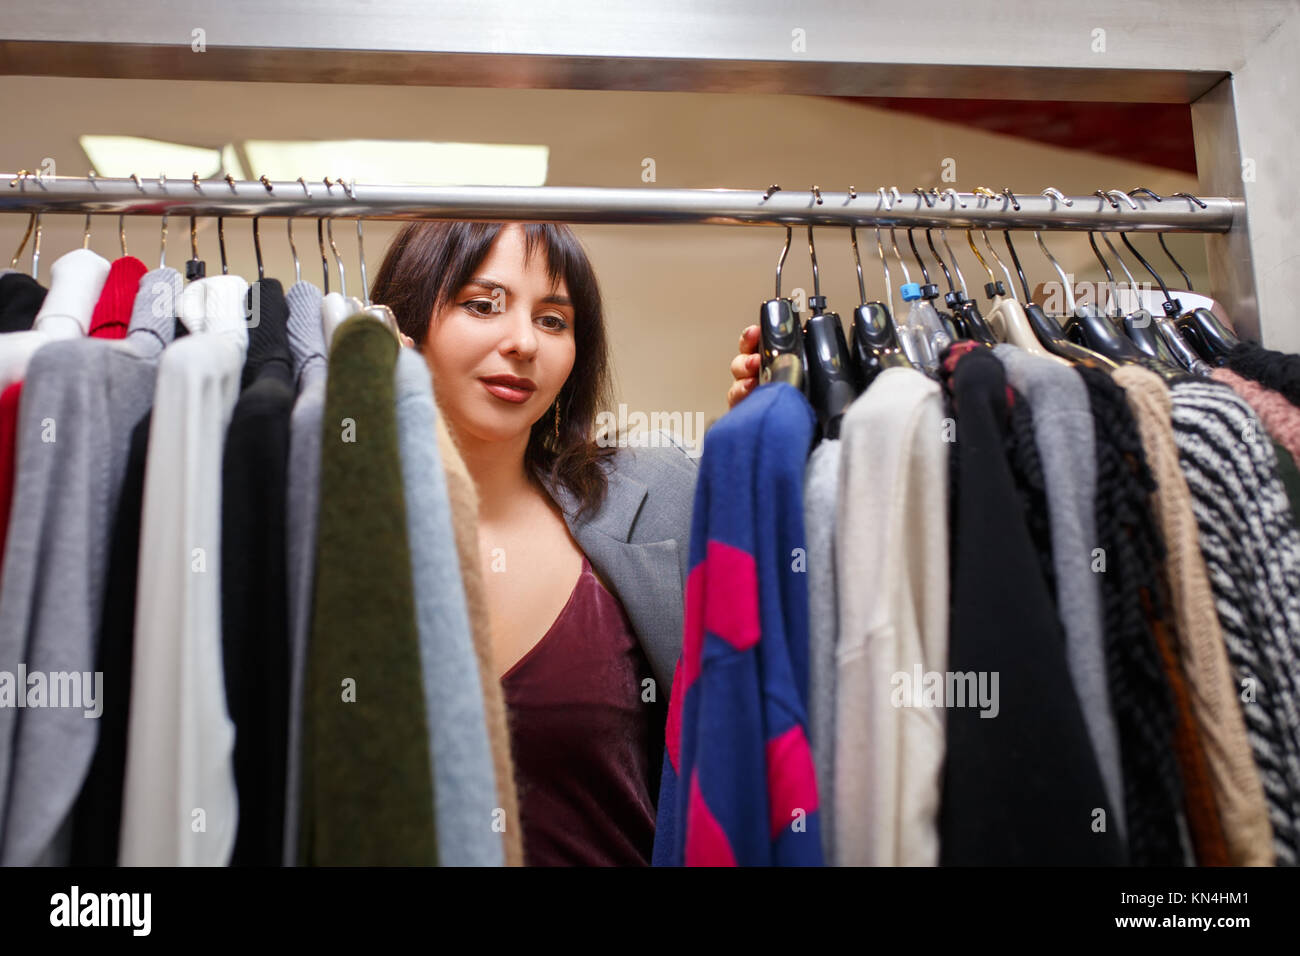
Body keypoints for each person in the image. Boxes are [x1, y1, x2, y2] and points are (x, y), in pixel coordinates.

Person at [368, 221, 697, 866]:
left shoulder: (661, 497)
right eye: (481, 305)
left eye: (553, 320)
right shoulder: (330, 518)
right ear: (405, 326)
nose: (522, 343)